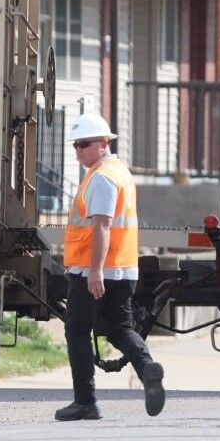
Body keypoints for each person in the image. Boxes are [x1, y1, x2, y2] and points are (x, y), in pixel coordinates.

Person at [54, 113, 165, 421]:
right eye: (75, 145)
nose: (78, 151)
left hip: (94, 270)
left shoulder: (102, 177)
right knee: (120, 328)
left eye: (84, 144)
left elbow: (102, 226)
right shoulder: (120, 173)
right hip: (125, 269)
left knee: (77, 331)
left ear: (103, 143)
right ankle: (147, 369)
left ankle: (85, 402)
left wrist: (94, 270)